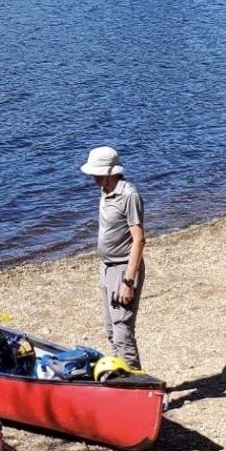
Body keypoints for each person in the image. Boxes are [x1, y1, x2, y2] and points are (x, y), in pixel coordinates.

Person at [81, 146, 146, 369]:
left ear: (109, 172)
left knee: (122, 331)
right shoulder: (106, 190)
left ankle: (137, 387)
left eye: (96, 173)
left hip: (123, 269)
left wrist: (128, 281)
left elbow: (138, 240)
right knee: (112, 330)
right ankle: (123, 378)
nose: (92, 177)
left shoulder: (129, 195)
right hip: (107, 267)